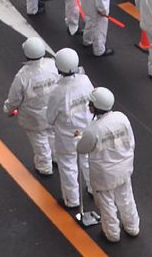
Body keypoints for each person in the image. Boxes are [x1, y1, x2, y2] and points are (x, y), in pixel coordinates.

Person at [76, 87, 139, 242]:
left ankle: (112, 235)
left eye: (91, 103)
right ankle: (132, 227)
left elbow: (82, 148)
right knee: (126, 198)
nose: (88, 105)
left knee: (107, 204)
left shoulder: (93, 129)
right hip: (124, 168)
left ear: (97, 107)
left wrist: (78, 138)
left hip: (104, 175)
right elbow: (131, 142)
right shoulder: (122, 118)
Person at [4, 37, 60, 177]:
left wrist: (8, 109)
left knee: (39, 141)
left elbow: (14, 99)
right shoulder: (53, 65)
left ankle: (44, 167)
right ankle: (56, 158)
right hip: (53, 111)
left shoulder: (22, 76)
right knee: (52, 134)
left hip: (33, 117)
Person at [46, 48, 94, 208]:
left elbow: (50, 117)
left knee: (68, 166)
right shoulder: (85, 80)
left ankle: (72, 200)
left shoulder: (57, 91)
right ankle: (94, 189)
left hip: (66, 136)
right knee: (88, 160)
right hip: (87, 130)